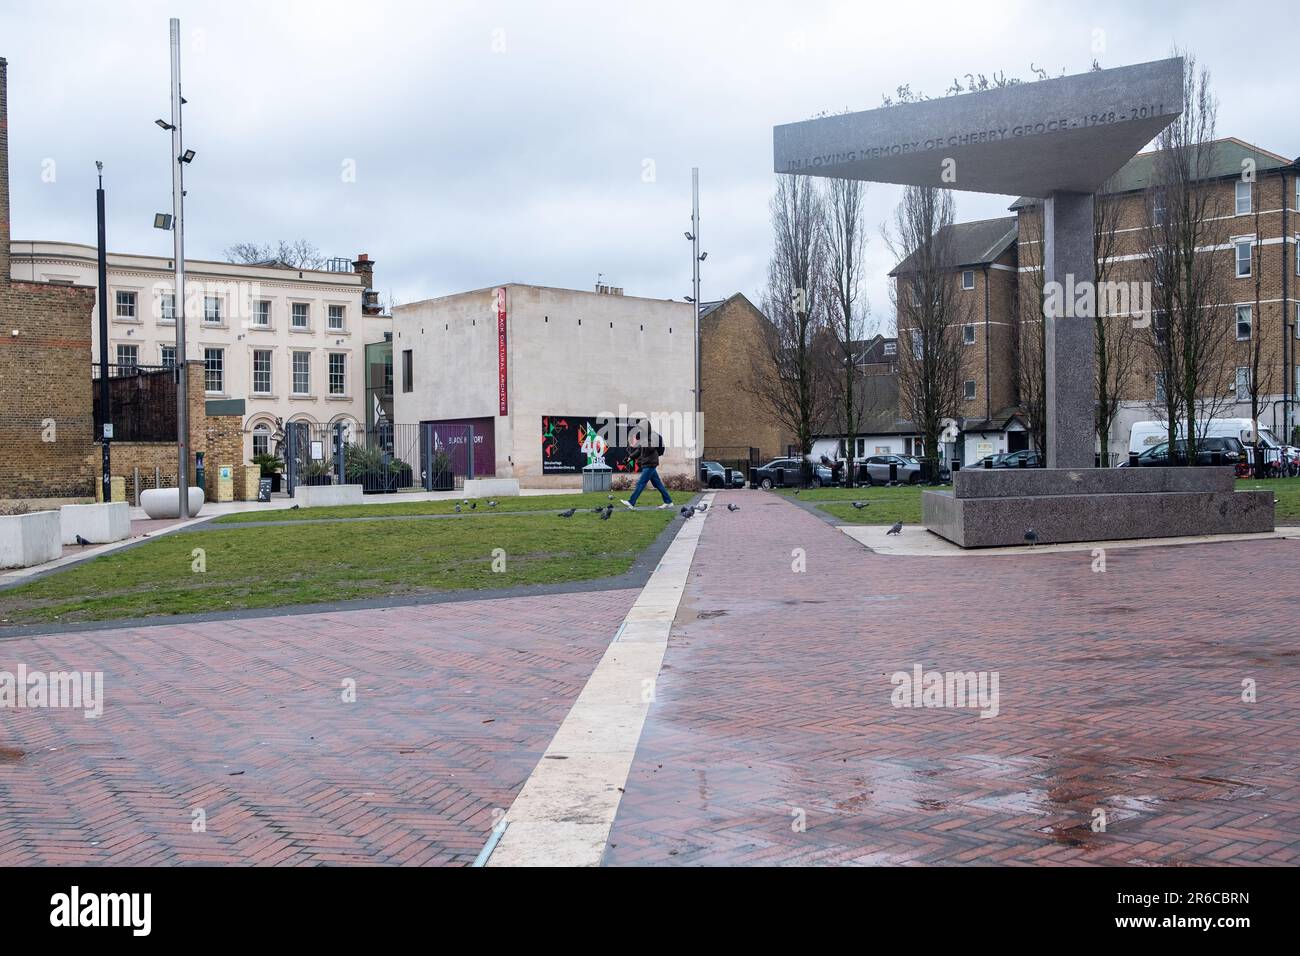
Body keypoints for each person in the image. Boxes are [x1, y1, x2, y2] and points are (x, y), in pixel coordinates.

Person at [622, 421, 672, 509]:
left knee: (641, 483)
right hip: (648, 463)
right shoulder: (645, 437)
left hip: (650, 463)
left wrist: (643, 440)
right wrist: (630, 457)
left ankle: (631, 502)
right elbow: (639, 450)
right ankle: (668, 501)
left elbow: (650, 448)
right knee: (658, 484)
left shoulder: (652, 437)